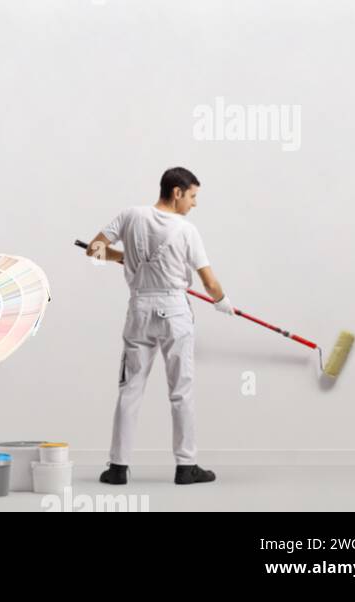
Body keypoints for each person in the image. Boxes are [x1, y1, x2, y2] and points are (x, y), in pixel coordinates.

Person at [84, 167, 230, 486]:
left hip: (139, 309)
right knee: (181, 391)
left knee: (130, 389)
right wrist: (222, 300)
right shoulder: (187, 230)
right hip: (175, 312)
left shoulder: (130, 215)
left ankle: (118, 468)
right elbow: (209, 282)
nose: (194, 204)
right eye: (192, 196)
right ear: (176, 192)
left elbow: (93, 249)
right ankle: (186, 466)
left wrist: (123, 257)